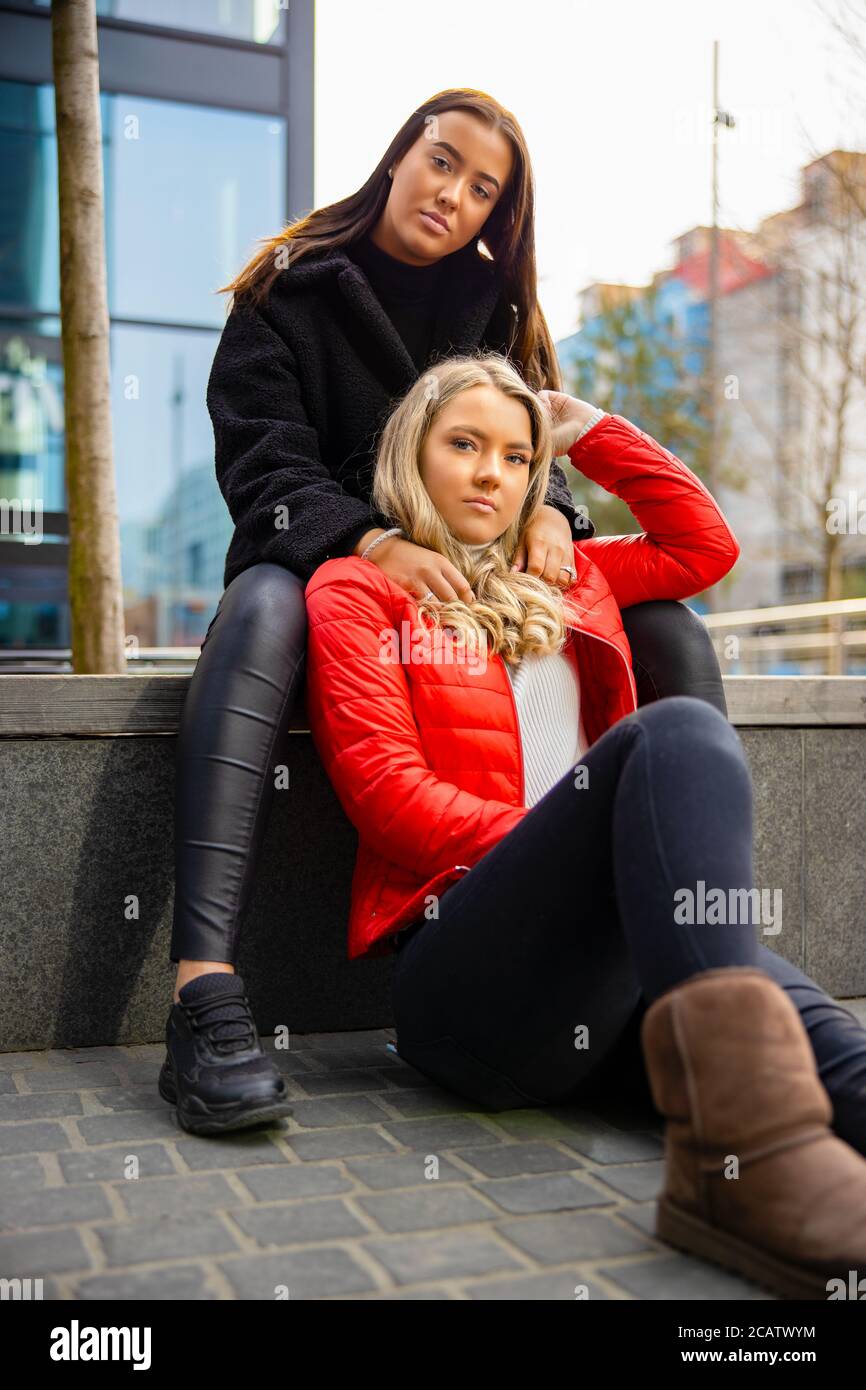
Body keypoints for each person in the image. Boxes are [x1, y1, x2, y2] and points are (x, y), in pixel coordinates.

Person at [159, 89, 731, 1138]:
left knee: (666, 628)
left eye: (484, 190)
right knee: (264, 608)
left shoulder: (497, 309)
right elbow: (261, 466)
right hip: (326, 550)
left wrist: (557, 510)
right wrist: (370, 540)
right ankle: (203, 989)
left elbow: (524, 442)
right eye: (441, 162)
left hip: (478, 573)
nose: (453, 196)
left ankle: (703, 941)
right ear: (396, 158)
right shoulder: (286, 294)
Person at [302, 352, 866, 1301]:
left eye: (519, 456)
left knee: (832, 1054)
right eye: (465, 445)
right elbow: (389, 797)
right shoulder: (359, 593)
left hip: (608, 972)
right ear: (413, 454)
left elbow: (704, 544)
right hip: (468, 984)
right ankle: (745, 1164)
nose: (494, 473)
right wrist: (569, 837)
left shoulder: (575, 578)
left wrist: (591, 428)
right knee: (678, 732)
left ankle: (752, 1138)